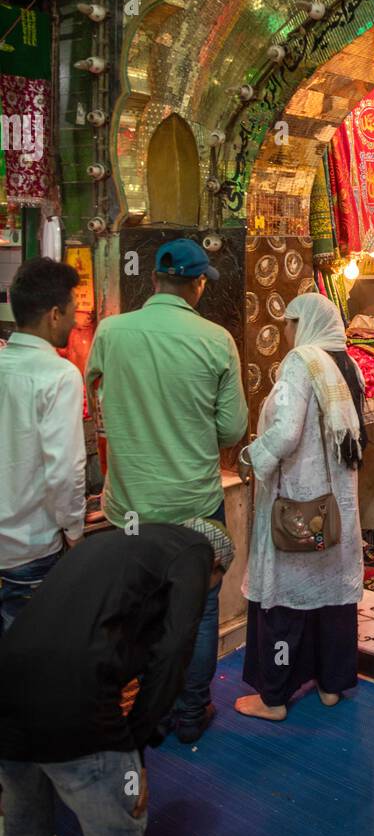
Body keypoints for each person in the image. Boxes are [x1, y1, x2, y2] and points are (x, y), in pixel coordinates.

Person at [0, 518, 234, 836]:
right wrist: (136, 744)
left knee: (24, 825)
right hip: (71, 708)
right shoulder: (197, 551)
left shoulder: (120, 544)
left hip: (6, 692)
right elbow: (176, 649)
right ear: (216, 567)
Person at [85, 238, 247, 743]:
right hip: (196, 505)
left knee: (134, 609)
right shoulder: (216, 340)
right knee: (198, 612)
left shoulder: (111, 332)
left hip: (130, 506)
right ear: (198, 285)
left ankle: (137, 715)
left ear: (154, 279)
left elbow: (99, 403)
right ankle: (190, 713)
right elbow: (231, 429)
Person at [235, 293, 367, 721]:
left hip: (296, 502)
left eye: (289, 324)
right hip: (335, 507)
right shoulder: (349, 366)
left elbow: (287, 431)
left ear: (302, 323)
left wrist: (252, 458)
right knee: (331, 598)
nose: (285, 334)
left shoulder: (302, 363)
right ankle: (331, 685)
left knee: (285, 598)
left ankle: (273, 697)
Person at [0, 257, 86, 634]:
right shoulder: (59, 374)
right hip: (30, 546)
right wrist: (75, 530)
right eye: (72, 310)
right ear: (54, 314)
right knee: (30, 654)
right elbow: (65, 470)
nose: (74, 320)